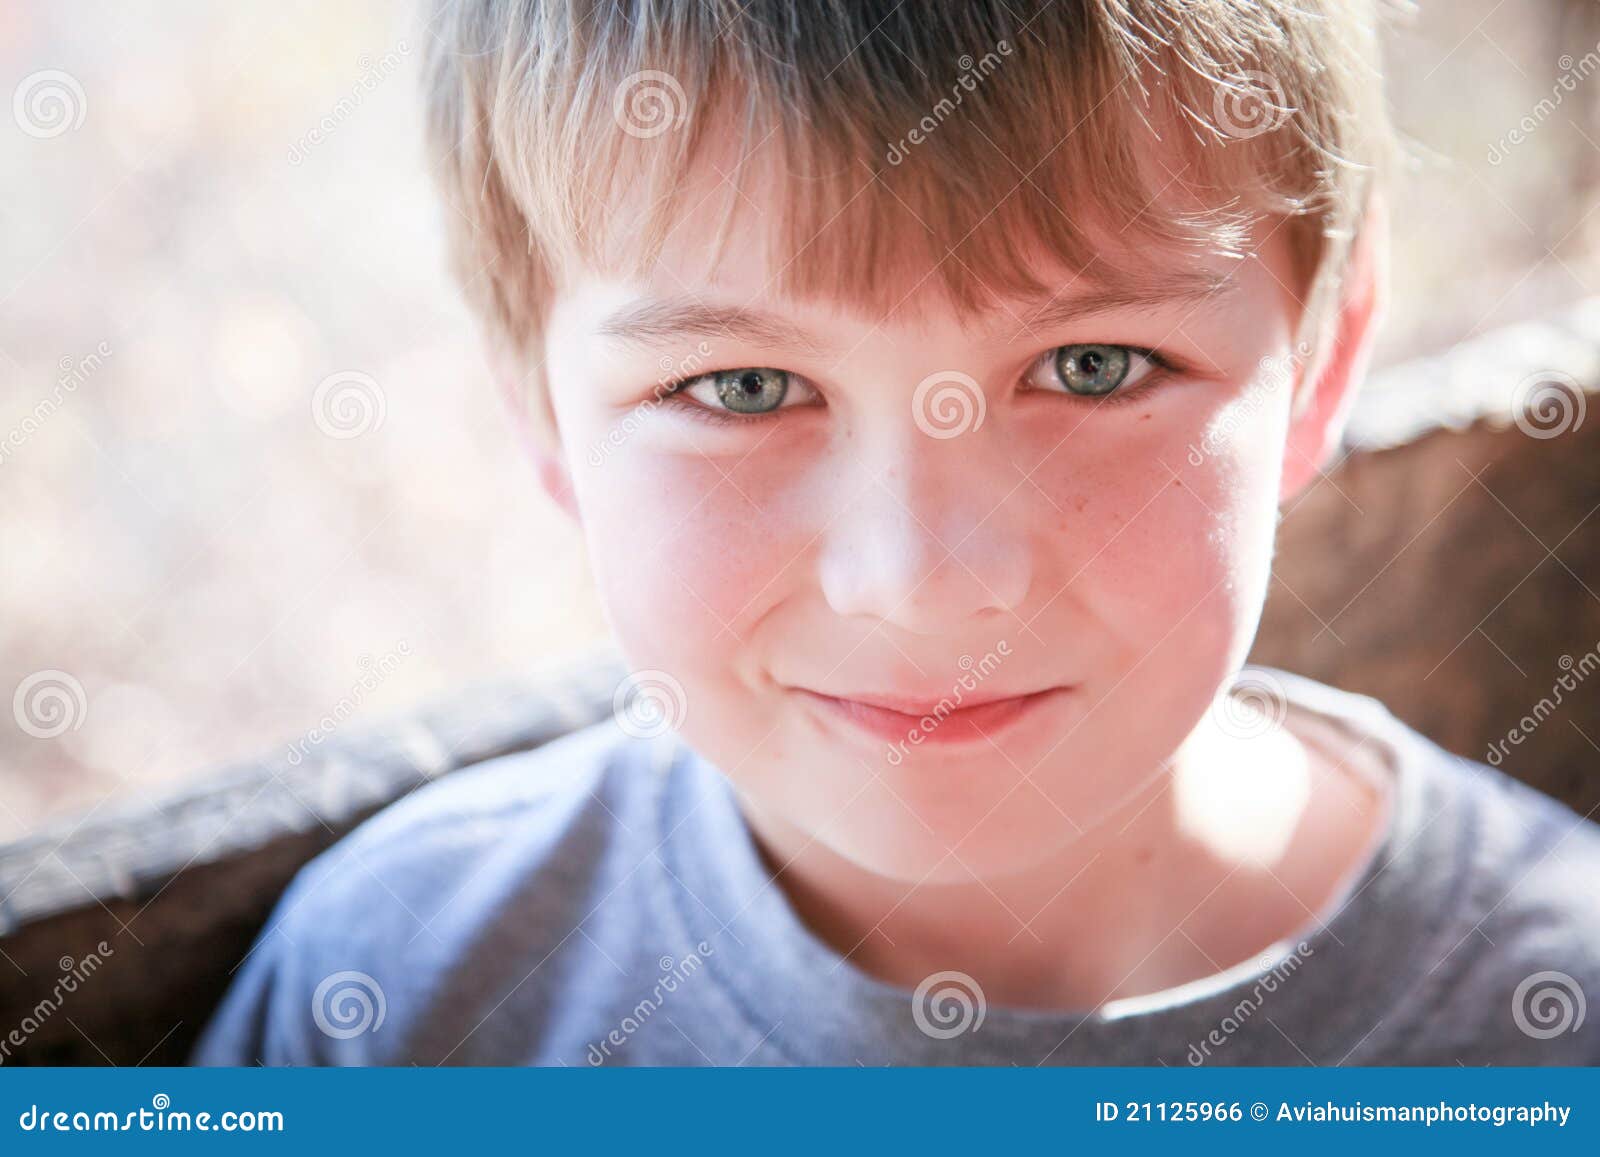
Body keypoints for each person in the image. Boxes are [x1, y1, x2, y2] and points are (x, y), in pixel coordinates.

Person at [192, 0, 1600, 1066]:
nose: (925, 583)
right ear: (546, 419)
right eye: (743, 388)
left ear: (1324, 366)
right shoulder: (400, 995)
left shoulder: (1550, 1006)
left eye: (1094, 366)